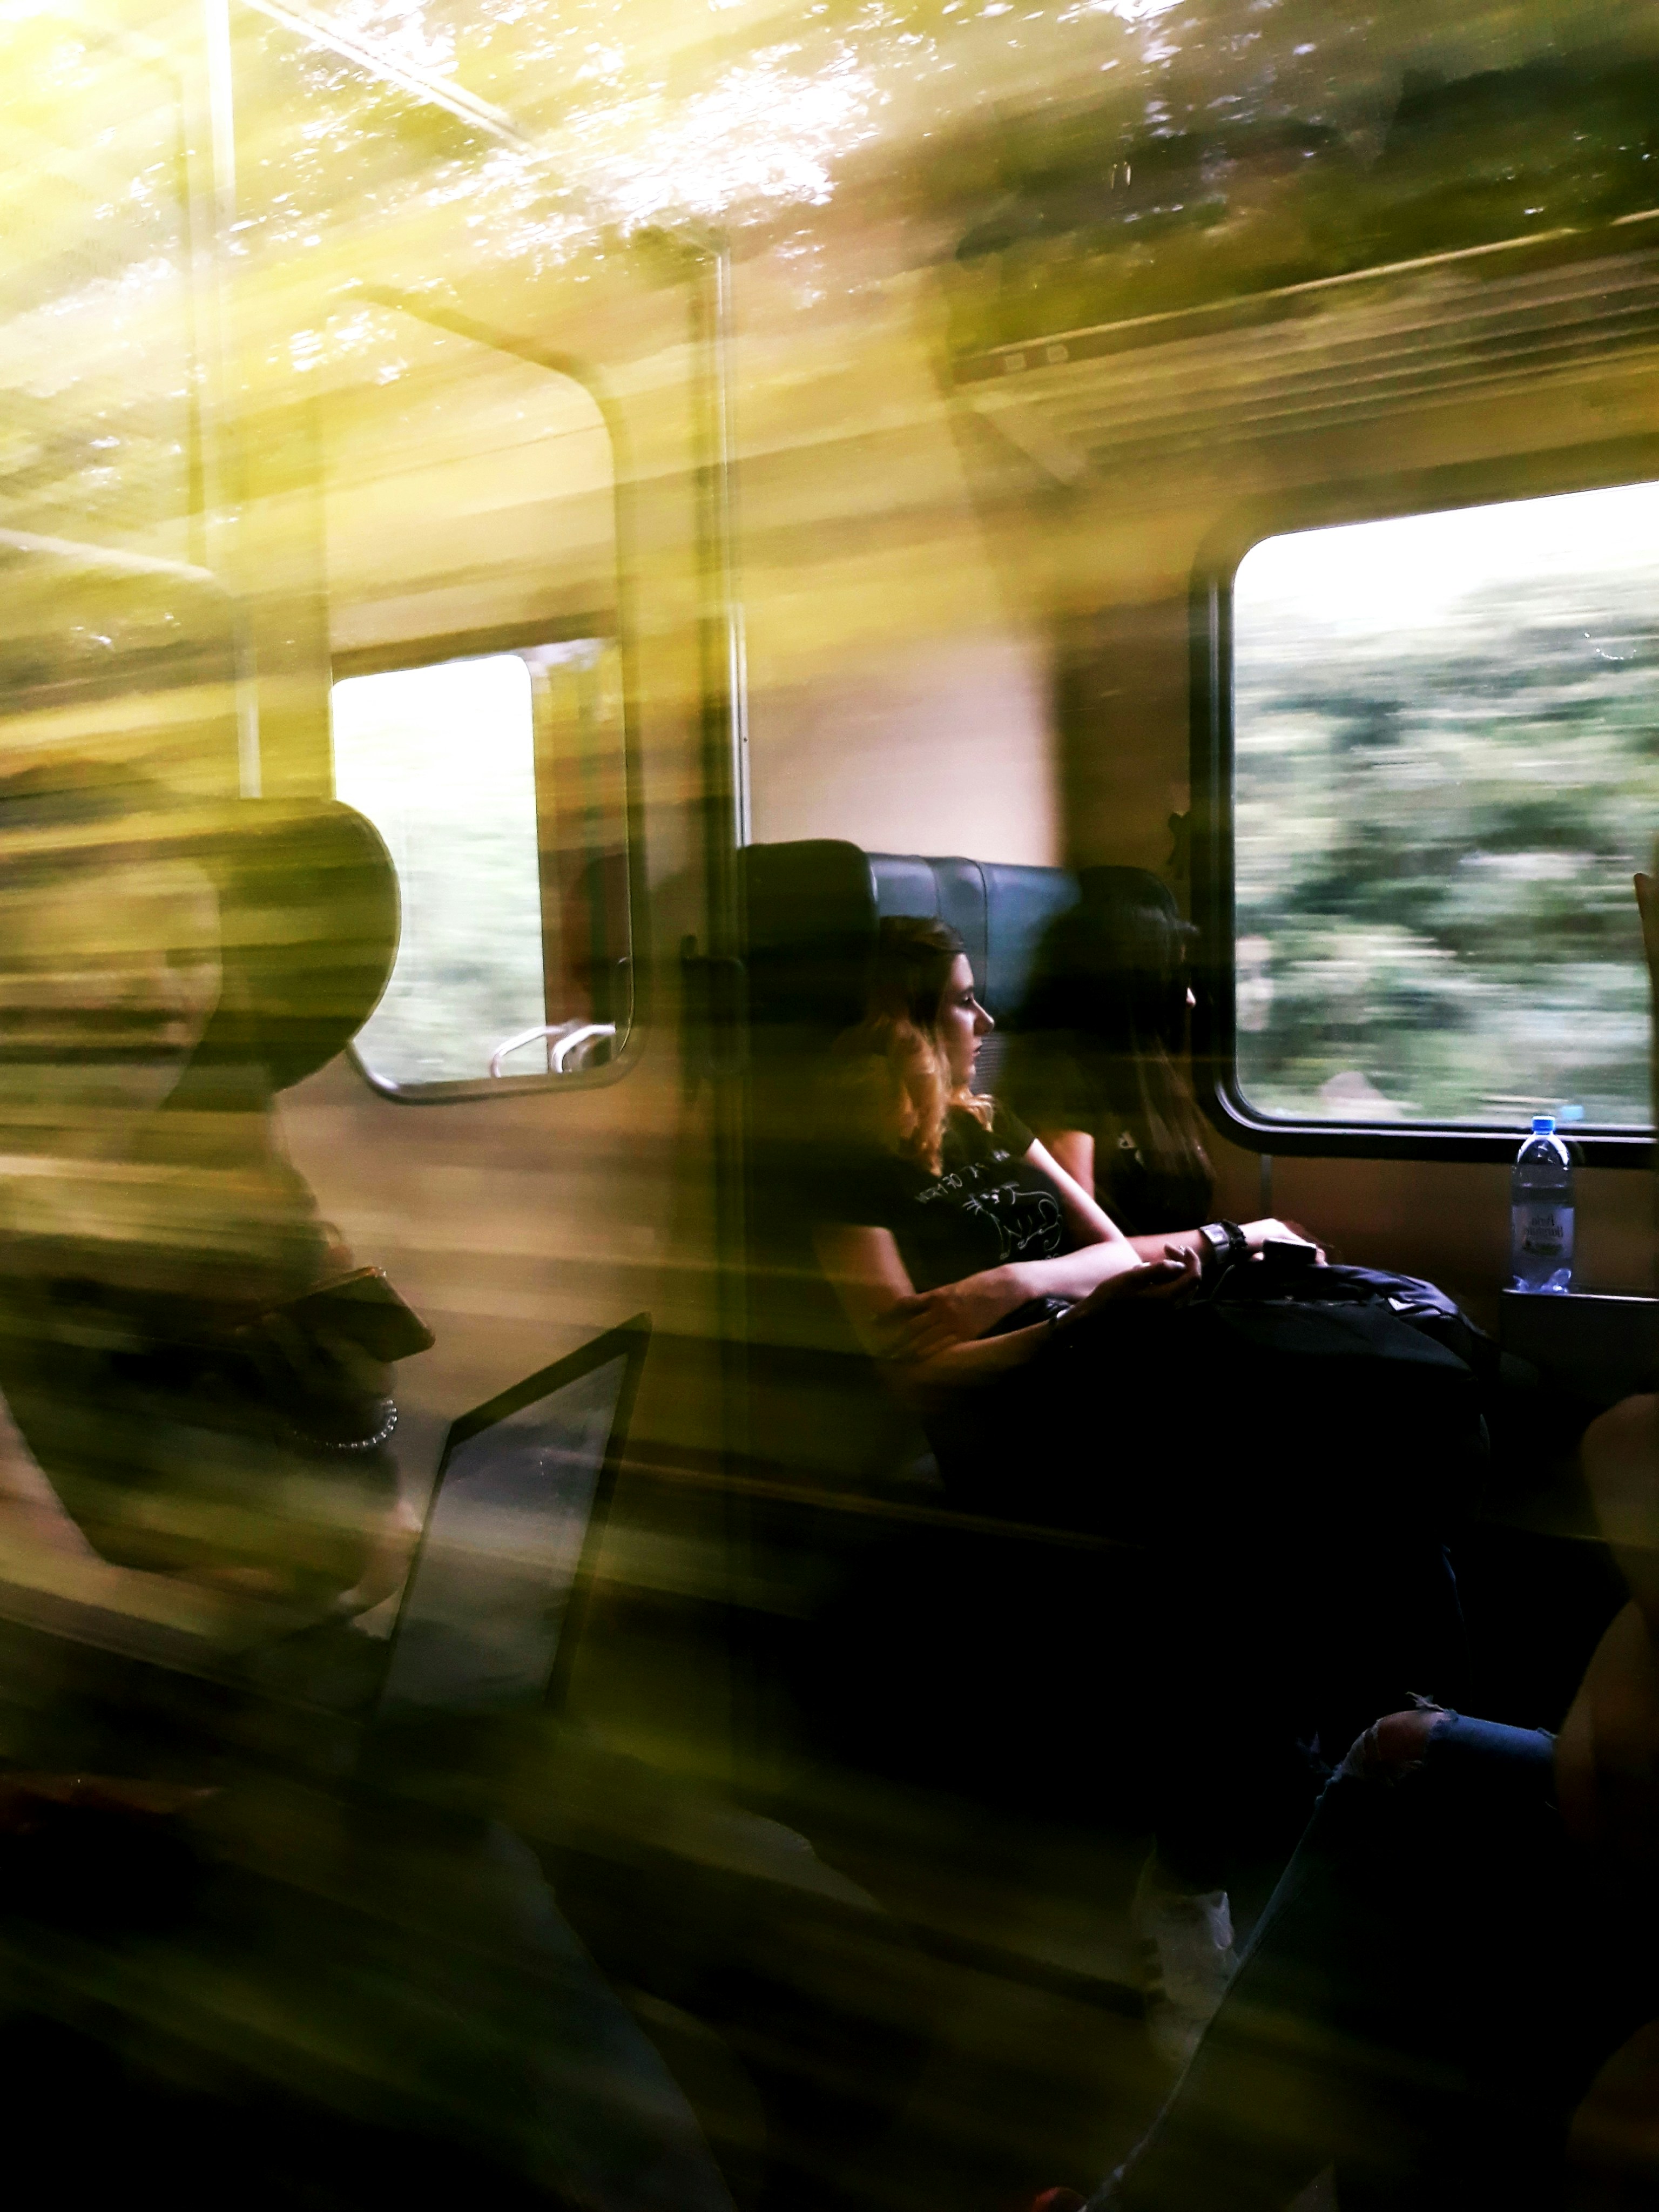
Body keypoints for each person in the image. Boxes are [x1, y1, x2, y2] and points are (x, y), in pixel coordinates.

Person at [0, 760, 734, 2212]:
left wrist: (388, 1515)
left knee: (704, 1841)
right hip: (132, 1783)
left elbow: (321, 1471)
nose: (164, 987)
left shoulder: (214, 1190)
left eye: (189, 945)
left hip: (288, 1691)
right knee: (564, 2075)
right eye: (106, 946)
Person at [1031, 871, 1659, 2208]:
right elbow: (1100, 1265)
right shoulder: (1066, 1096)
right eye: (1182, 972)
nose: (1203, 995)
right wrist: (1209, 1245)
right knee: (1315, 1497)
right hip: (1103, 1370)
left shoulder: (1158, 1077)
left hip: (1178, 1347)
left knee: (1373, 1498)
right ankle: (1216, 1850)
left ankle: (1368, 1740)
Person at [814, 915, 1476, 2065]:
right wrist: (1049, 1330)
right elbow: (913, 1376)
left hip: (1107, 1362)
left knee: (1345, 1474)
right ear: (904, 1024)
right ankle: (1198, 1868)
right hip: (1016, 1415)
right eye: (962, 1001)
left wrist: (1020, 1282)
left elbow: (1120, 1250)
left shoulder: (988, 1123)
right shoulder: (843, 1171)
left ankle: (1378, 1746)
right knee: (1273, 1504)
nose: (985, 1022)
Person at [1003, 867, 1310, 1259]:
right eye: (1173, 976)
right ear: (1131, 986)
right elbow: (1086, 1252)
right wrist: (1239, 1238)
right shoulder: (1060, 1084)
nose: (1190, 999)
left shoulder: (1147, 1074)